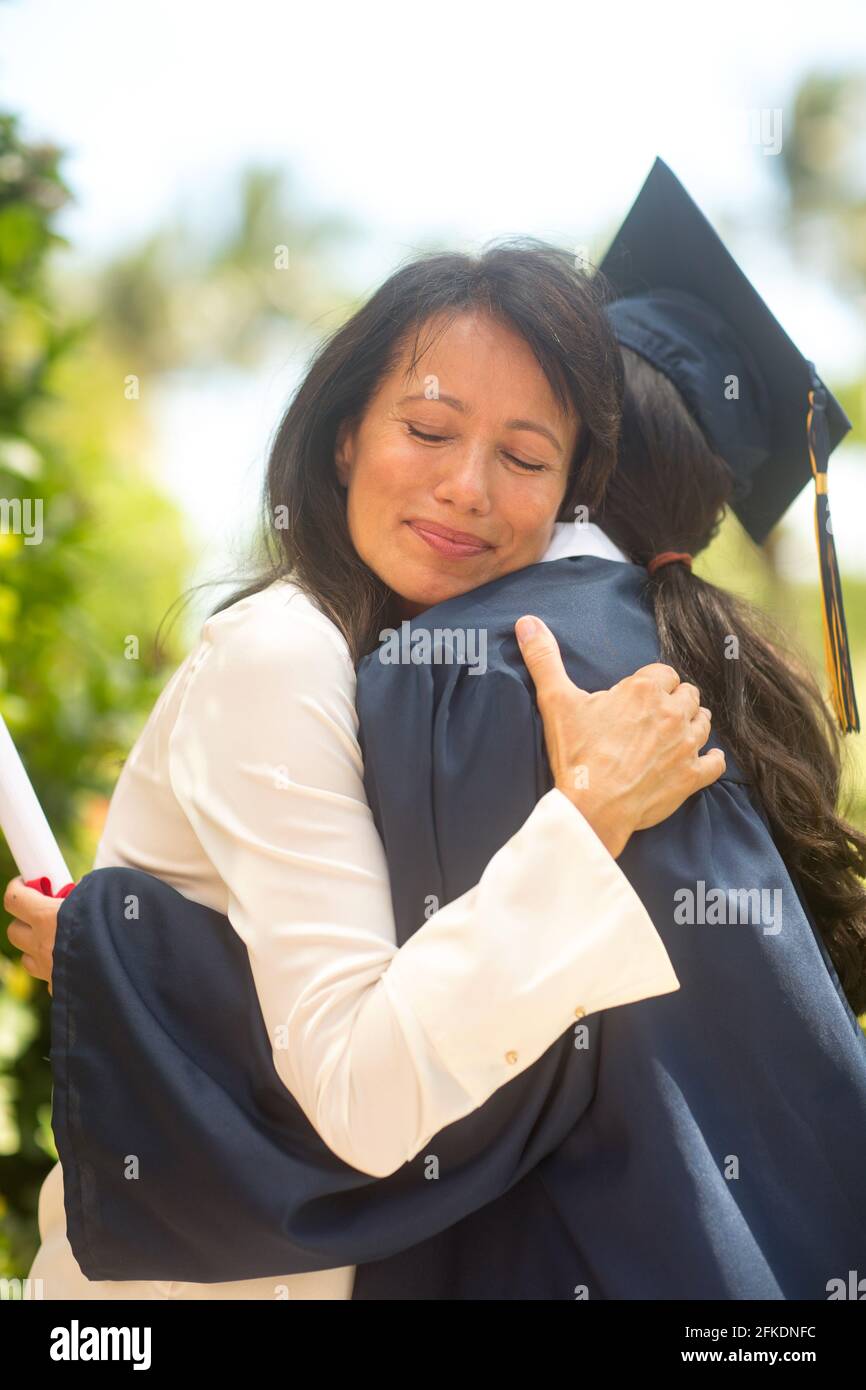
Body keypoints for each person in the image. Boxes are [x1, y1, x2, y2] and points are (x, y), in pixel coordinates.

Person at [5, 233, 721, 1299]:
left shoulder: (450, 686)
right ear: (344, 437)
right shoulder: (280, 653)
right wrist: (583, 823)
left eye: (523, 459)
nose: (467, 487)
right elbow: (366, 1096)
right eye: (427, 428)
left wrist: (133, 966)